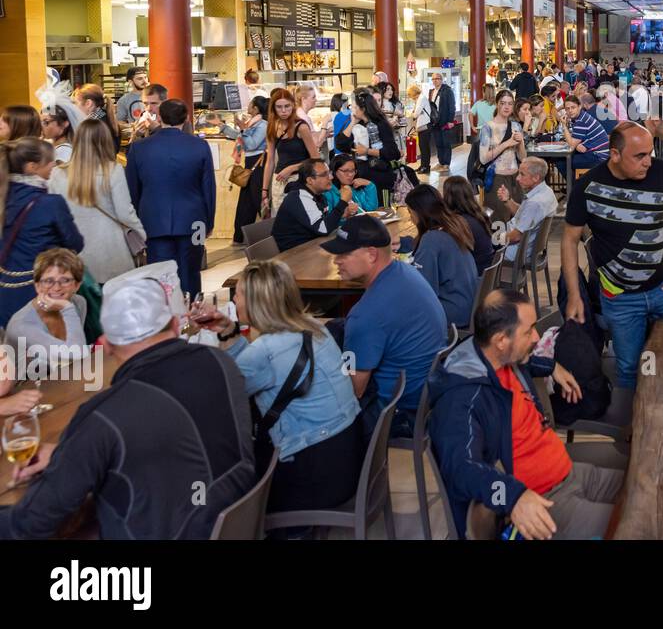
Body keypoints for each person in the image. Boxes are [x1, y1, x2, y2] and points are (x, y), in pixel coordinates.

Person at [0, 278, 254, 540]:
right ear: (176, 325)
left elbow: (29, 524)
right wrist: (71, 452)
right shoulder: (222, 363)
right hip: (231, 525)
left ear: (106, 344)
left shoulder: (104, 416)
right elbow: (177, 441)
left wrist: (76, 453)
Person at [429, 289, 618, 539]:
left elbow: (525, 361)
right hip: (544, 503)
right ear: (501, 340)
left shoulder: (497, 356)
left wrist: (552, 367)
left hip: (569, 473)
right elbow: (460, 468)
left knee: (647, 489)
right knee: (643, 524)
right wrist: (513, 496)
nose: (537, 337)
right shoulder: (463, 399)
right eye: (529, 331)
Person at [191, 259, 365, 516]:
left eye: (237, 296)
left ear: (254, 302)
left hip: (317, 476)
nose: (233, 303)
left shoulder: (265, 351)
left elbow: (221, 397)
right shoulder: (314, 326)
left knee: (217, 472)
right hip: (350, 454)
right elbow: (252, 371)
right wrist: (229, 331)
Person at [562, 122, 663, 389]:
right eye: (639, 156)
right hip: (619, 297)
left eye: (649, 153)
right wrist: (574, 295)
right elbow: (569, 240)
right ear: (615, 154)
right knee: (629, 369)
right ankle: (634, 429)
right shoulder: (588, 186)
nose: (648, 162)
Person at [325, 215, 446, 435]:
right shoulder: (406, 272)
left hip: (397, 412)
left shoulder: (365, 315)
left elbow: (352, 390)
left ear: (372, 254)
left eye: (344, 254)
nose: (336, 260)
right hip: (427, 395)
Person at [125, 99, 216, 298]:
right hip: (195, 221)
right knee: (192, 270)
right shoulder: (200, 146)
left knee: (160, 276)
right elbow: (208, 188)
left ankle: (165, 319)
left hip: (153, 220)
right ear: (186, 118)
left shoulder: (139, 148)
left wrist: (137, 222)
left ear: (159, 117)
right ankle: (192, 314)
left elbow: (133, 190)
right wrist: (209, 222)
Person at [47, 118, 145, 284]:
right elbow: (124, 212)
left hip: (73, 252)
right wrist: (141, 234)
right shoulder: (112, 170)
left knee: (80, 304)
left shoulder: (57, 173)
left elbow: (53, 215)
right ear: (105, 141)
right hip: (111, 249)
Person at [0, 138, 83, 327]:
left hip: (5, 289)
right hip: (40, 290)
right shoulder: (50, 203)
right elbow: (75, 243)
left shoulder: (4, 195)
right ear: (32, 167)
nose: (54, 164)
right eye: (49, 161)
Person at [405, 185, 478, 328]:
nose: (410, 218)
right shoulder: (454, 225)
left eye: (410, 212)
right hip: (468, 304)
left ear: (420, 213)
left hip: (452, 313)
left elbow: (424, 289)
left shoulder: (431, 239)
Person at [4, 248, 88, 357]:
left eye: (65, 280)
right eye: (48, 281)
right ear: (37, 285)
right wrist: (67, 308)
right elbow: (76, 354)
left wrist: (67, 308)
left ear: (77, 285)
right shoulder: (21, 324)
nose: (57, 288)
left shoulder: (79, 303)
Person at [272, 159, 357, 253]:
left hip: (311, 246)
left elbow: (322, 223)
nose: (331, 177)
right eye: (324, 174)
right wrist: (343, 202)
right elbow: (323, 229)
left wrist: (342, 214)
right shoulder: (299, 196)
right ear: (310, 180)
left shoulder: (319, 195)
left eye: (329, 173)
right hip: (292, 253)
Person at [262, 87, 320, 216]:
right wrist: (264, 190)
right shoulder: (272, 126)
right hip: (278, 179)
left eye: (287, 106)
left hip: (299, 179)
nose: (283, 111)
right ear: (273, 108)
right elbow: (269, 161)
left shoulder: (301, 127)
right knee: (279, 219)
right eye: (279, 107)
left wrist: (292, 168)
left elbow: (316, 158)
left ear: (293, 105)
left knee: (300, 218)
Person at [496, 156, 558, 266]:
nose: (517, 178)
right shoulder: (547, 191)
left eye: (522, 174)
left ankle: (487, 281)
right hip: (522, 243)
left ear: (536, 178)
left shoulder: (535, 203)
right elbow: (524, 215)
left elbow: (516, 236)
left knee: (475, 248)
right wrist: (507, 200)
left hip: (515, 251)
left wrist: (495, 240)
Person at [230, 95, 268, 244]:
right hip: (250, 163)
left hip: (258, 164)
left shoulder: (262, 125)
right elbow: (241, 138)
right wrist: (223, 126)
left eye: (251, 104)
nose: (248, 105)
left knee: (256, 198)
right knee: (245, 202)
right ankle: (238, 237)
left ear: (256, 108)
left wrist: (243, 129)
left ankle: (269, 234)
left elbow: (251, 144)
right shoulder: (252, 123)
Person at [349, 89, 401, 195]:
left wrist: (367, 151)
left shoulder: (380, 124)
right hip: (362, 176)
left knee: (381, 209)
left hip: (379, 175)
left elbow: (393, 152)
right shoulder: (358, 125)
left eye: (355, 107)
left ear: (363, 109)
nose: (352, 110)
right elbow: (341, 144)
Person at [443, 174, 497, 271]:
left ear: (448, 197)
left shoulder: (460, 222)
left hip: (476, 274)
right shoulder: (479, 215)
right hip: (487, 269)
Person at [73, 84, 121, 153]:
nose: (74, 107)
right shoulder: (109, 119)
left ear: (88, 103)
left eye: (76, 103)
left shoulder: (93, 126)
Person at [428, 72, 458, 174]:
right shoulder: (431, 91)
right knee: (438, 143)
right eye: (433, 79)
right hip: (435, 121)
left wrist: (450, 120)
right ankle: (440, 162)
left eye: (437, 78)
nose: (435, 81)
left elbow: (452, 106)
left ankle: (446, 164)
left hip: (445, 120)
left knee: (446, 143)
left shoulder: (447, 91)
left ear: (441, 79)